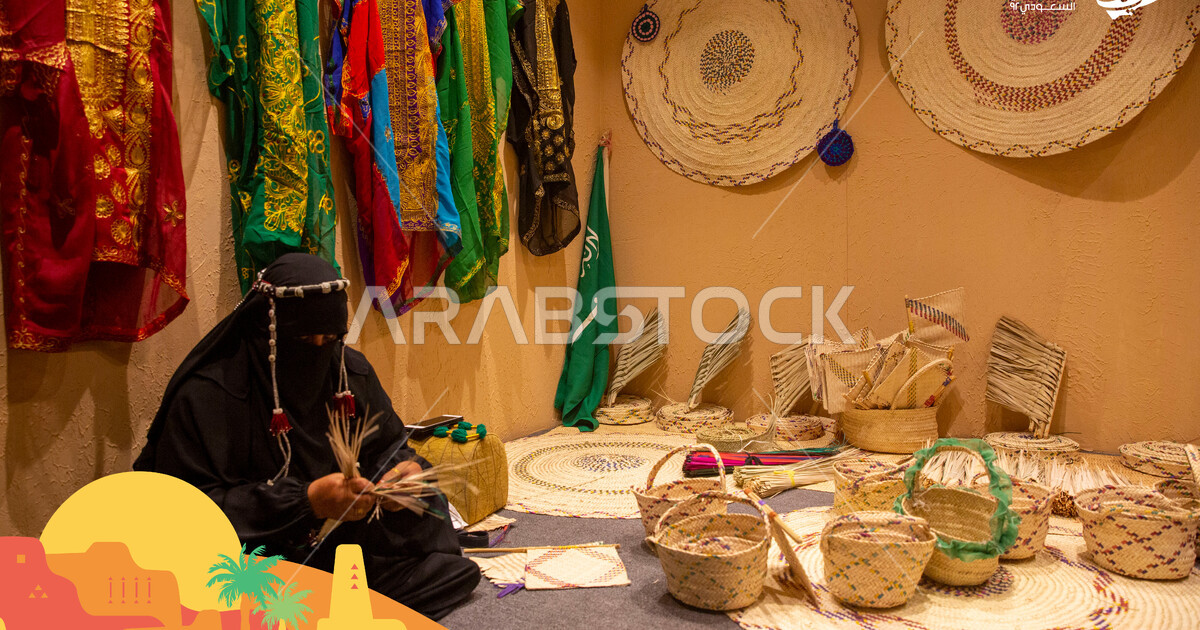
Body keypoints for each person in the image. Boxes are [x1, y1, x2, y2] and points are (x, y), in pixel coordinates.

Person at [133, 253, 480, 620]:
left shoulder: (348, 375)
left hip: (334, 547)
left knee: (453, 570)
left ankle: (326, 613)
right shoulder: (211, 396)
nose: (317, 349)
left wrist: (402, 476)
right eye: (301, 338)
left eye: (329, 338)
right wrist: (306, 501)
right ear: (265, 331)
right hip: (254, 559)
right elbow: (190, 515)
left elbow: (389, 447)